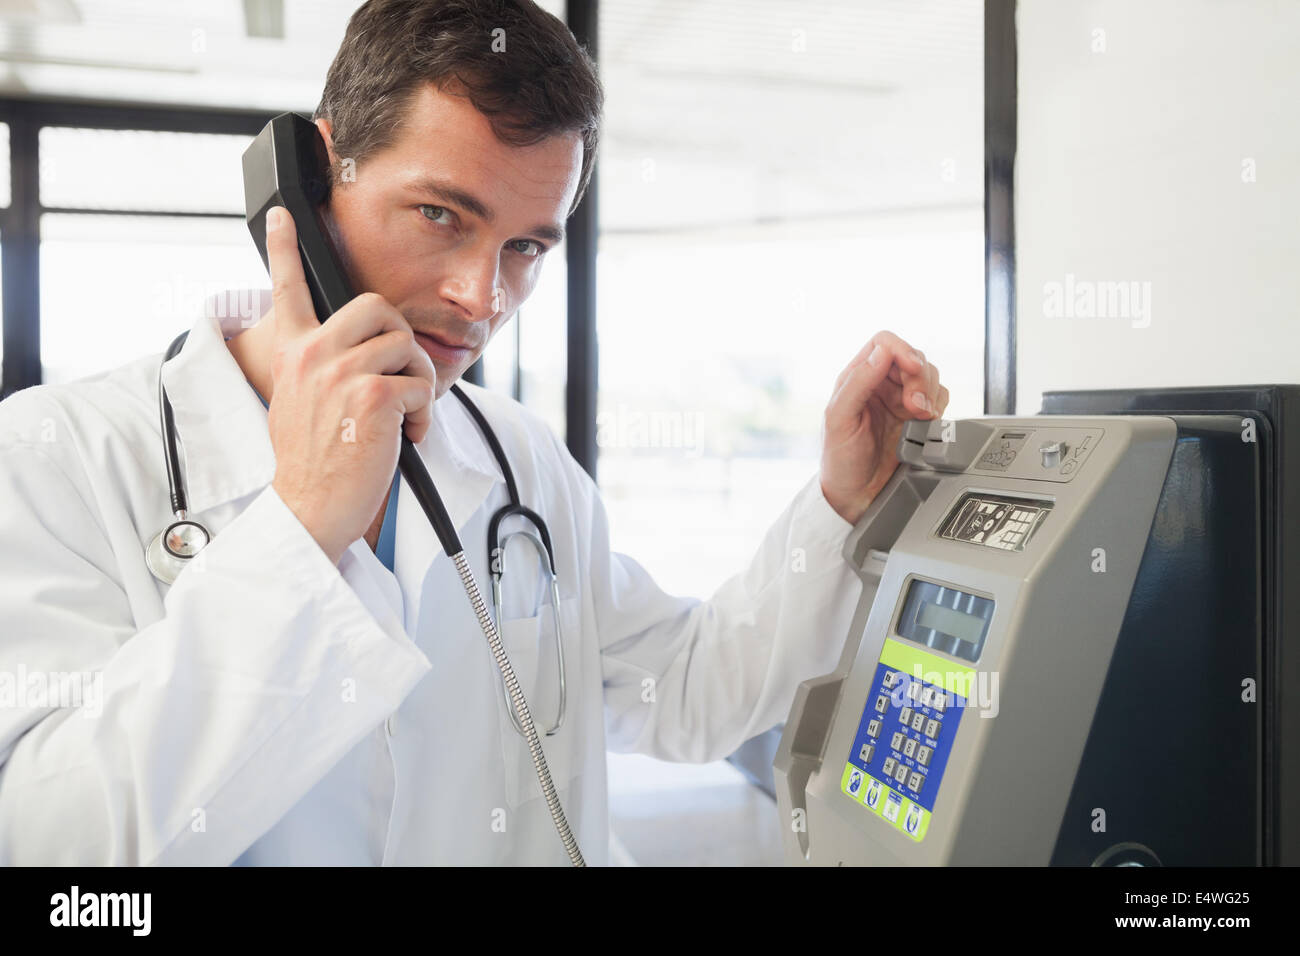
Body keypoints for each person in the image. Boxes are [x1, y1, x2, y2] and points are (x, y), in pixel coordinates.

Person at [0, 0, 948, 865]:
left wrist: (839, 502)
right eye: (440, 214)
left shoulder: (516, 458)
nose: (481, 297)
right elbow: (54, 847)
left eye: (526, 247)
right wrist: (298, 527)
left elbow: (688, 696)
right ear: (311, 179)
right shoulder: (62, 456)